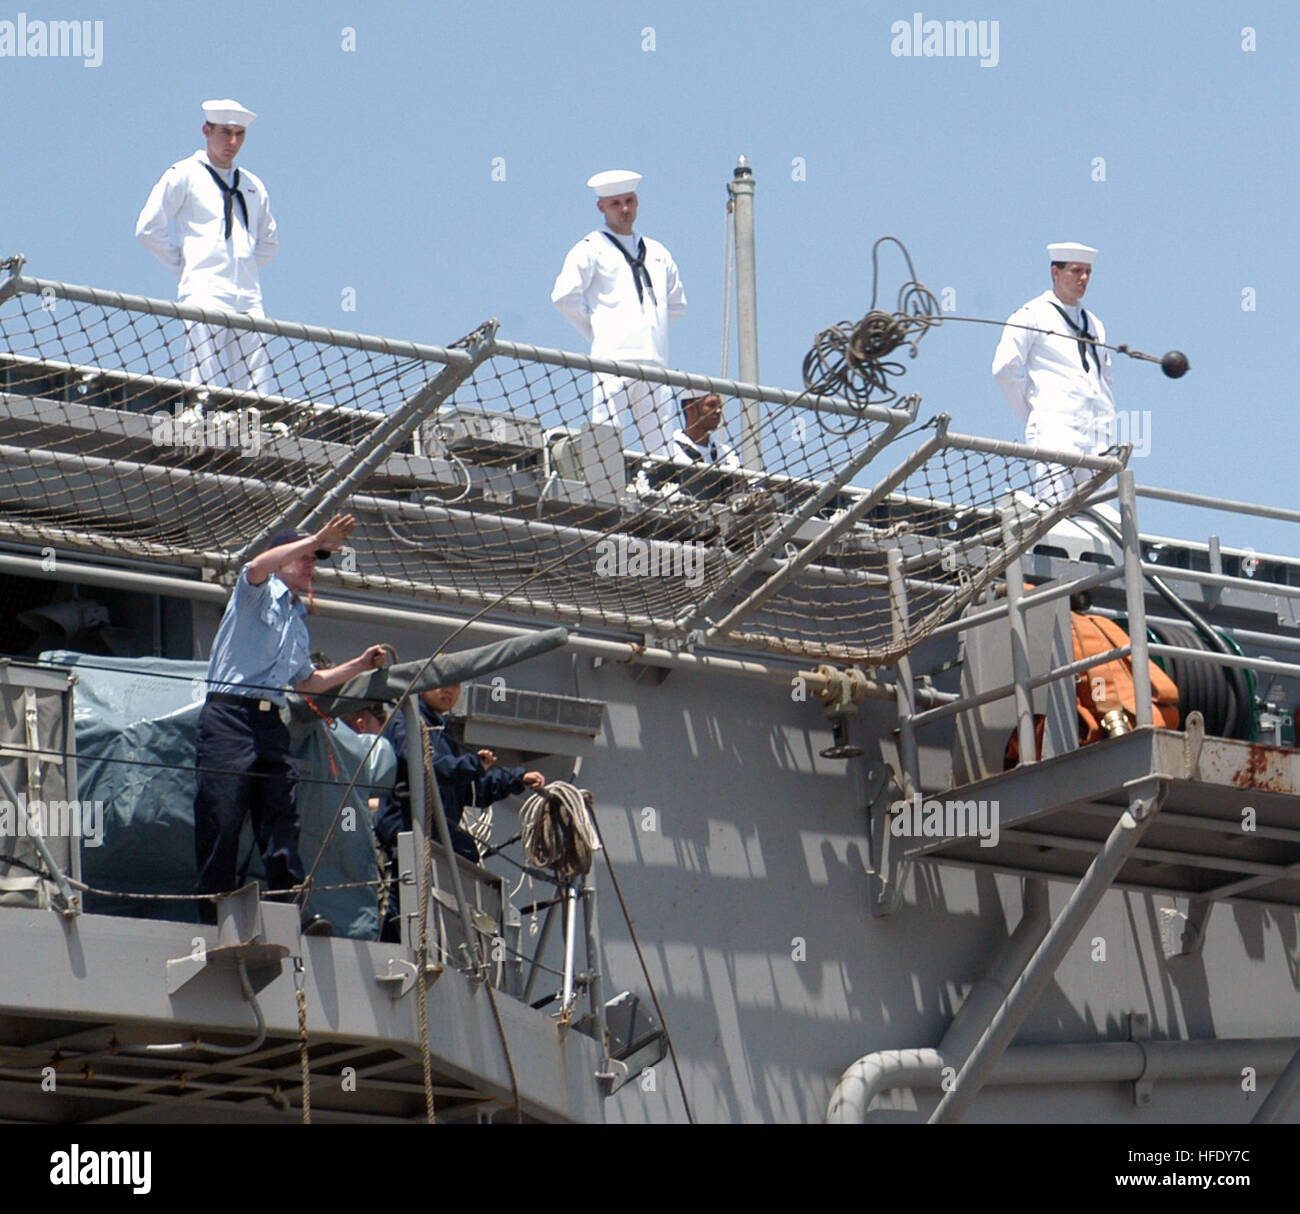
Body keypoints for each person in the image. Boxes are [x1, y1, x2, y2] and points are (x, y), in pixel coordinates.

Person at [193, 516, 387, 935]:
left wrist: (358, 664)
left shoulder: (297, 620)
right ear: (284, 559)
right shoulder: (254, 596)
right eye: (303, 557)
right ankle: (213, 910)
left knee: (281, 817)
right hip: (230, 716)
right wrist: (314, 538)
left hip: (270, 722)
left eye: (315, 559)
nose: (310, 563)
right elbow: (253, 567)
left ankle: (288, 910)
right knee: (223, 812)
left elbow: (307, 683)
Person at [136, 98, 279, 393]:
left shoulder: (252, 185)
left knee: (255, 379)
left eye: (240, 134)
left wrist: (242, 267)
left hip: (248, 296)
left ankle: (252, 431)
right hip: (205, 290)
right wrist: (187, 266)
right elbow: (148, 228)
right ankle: (199, 427)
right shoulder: (185, 174)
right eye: (225, 132)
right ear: (207, 131)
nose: (233, 141)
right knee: (203, 374)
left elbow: (269, 242)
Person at [551, 170, 687, 459]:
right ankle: (606, 491)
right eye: (616, 203)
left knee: (661, 443)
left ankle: (666, 492)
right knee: (606, 433)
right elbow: (564, 296)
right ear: (601, 207)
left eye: (629, 201)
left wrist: (651, 328)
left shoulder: (658, 251)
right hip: (613, 359)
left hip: (655, 361)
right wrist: (597, 331)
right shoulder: (591, 248)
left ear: (637, 202)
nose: (624, 209)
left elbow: (676, 304)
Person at [992, 242, 1116, 505]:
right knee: (1055, 510)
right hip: (1056, 428)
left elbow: (1104, 378)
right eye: (1076, 271)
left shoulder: (1094, 324)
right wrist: (1034, 413)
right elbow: (1005, 368)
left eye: (1088, 272)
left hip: (1098, 434)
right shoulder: (1032, 314)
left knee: (1100, 517)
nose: (1083, 278)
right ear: (1055, 273)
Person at [375, 684, 545, 867]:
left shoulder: (442, 732)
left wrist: (516, 777)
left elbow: (471, 789)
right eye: (439, 684)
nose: (447, 690)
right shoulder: (407, 722)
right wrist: (472, 765)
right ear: (423, 688)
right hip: (406, 838)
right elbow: (424, 765)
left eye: (454, 685)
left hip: (434, 840)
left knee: (467, 851)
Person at [670, 393, 740, 469]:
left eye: (719, 406)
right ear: (690, 408)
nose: (718, 411)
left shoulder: (727, 454)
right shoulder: (672, 449)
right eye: (711, 405)